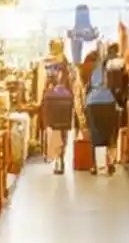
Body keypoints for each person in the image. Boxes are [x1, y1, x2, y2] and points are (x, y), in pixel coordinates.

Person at [78, 47, 122, 175]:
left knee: (94, 134)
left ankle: (94, 165)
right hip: (108, 101)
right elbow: (116, 87)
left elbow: (85, 88)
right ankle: (109, 162)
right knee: (109, 133)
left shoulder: (88, 69)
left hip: (92, 103)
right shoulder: (111, 67)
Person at [37, 38, 74, 174]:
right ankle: (60, 158)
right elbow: (73, 82)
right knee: (63, 131)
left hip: (50, 100)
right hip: (65, 101)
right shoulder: (66, 63)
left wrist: (39, 100)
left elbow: (42, 84)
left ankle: (56, 158)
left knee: (53, 131)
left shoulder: (46, 63)